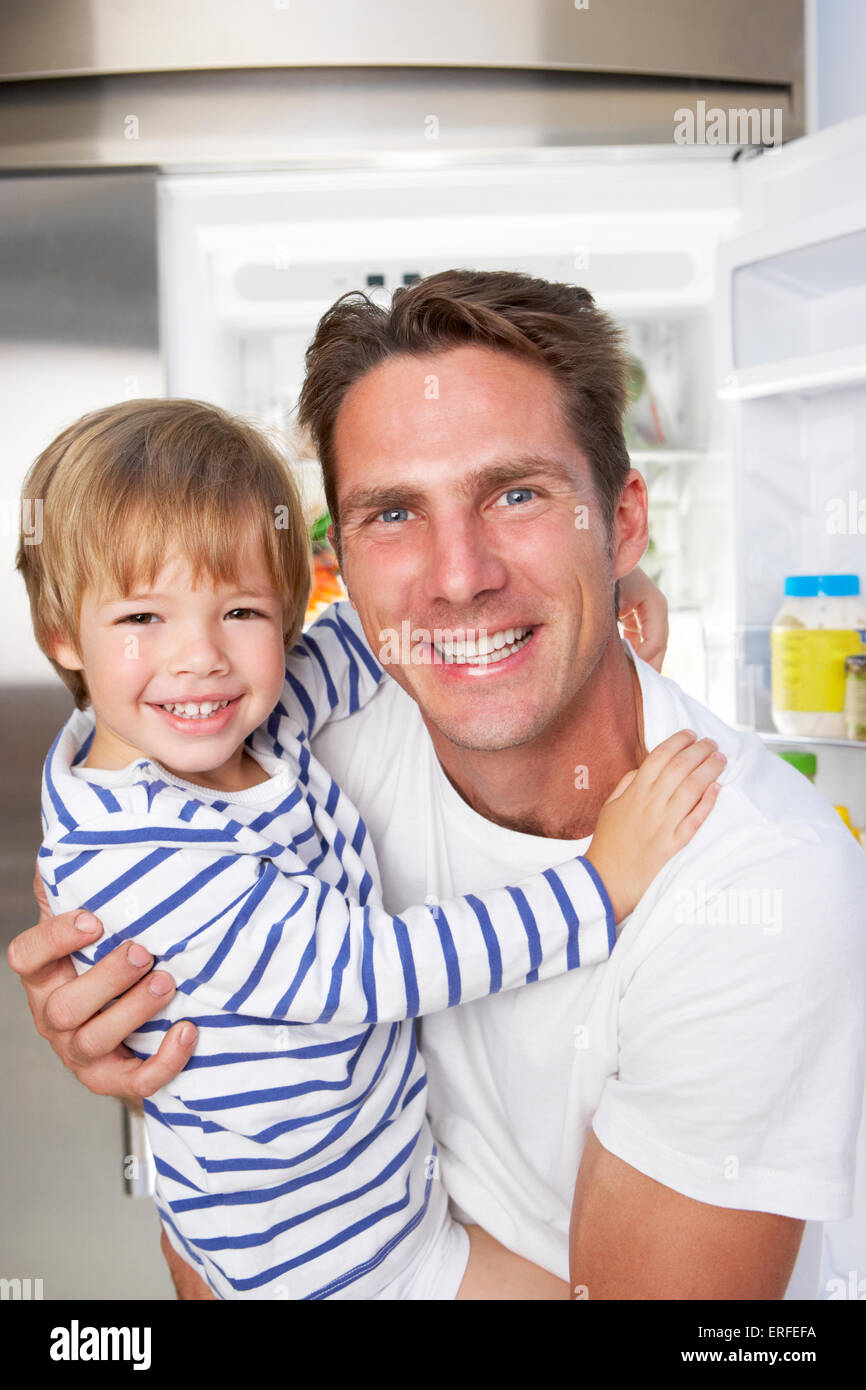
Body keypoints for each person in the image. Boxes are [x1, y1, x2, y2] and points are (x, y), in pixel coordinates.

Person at [12, 269, 866, 1300]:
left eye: (515, 494)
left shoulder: (753, 878)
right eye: (391, 514)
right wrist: (135, 1025)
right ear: (343, 562)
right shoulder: (258, 748)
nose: (456, 574)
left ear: (622, 518)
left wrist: (612, 597)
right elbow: (346, 973)